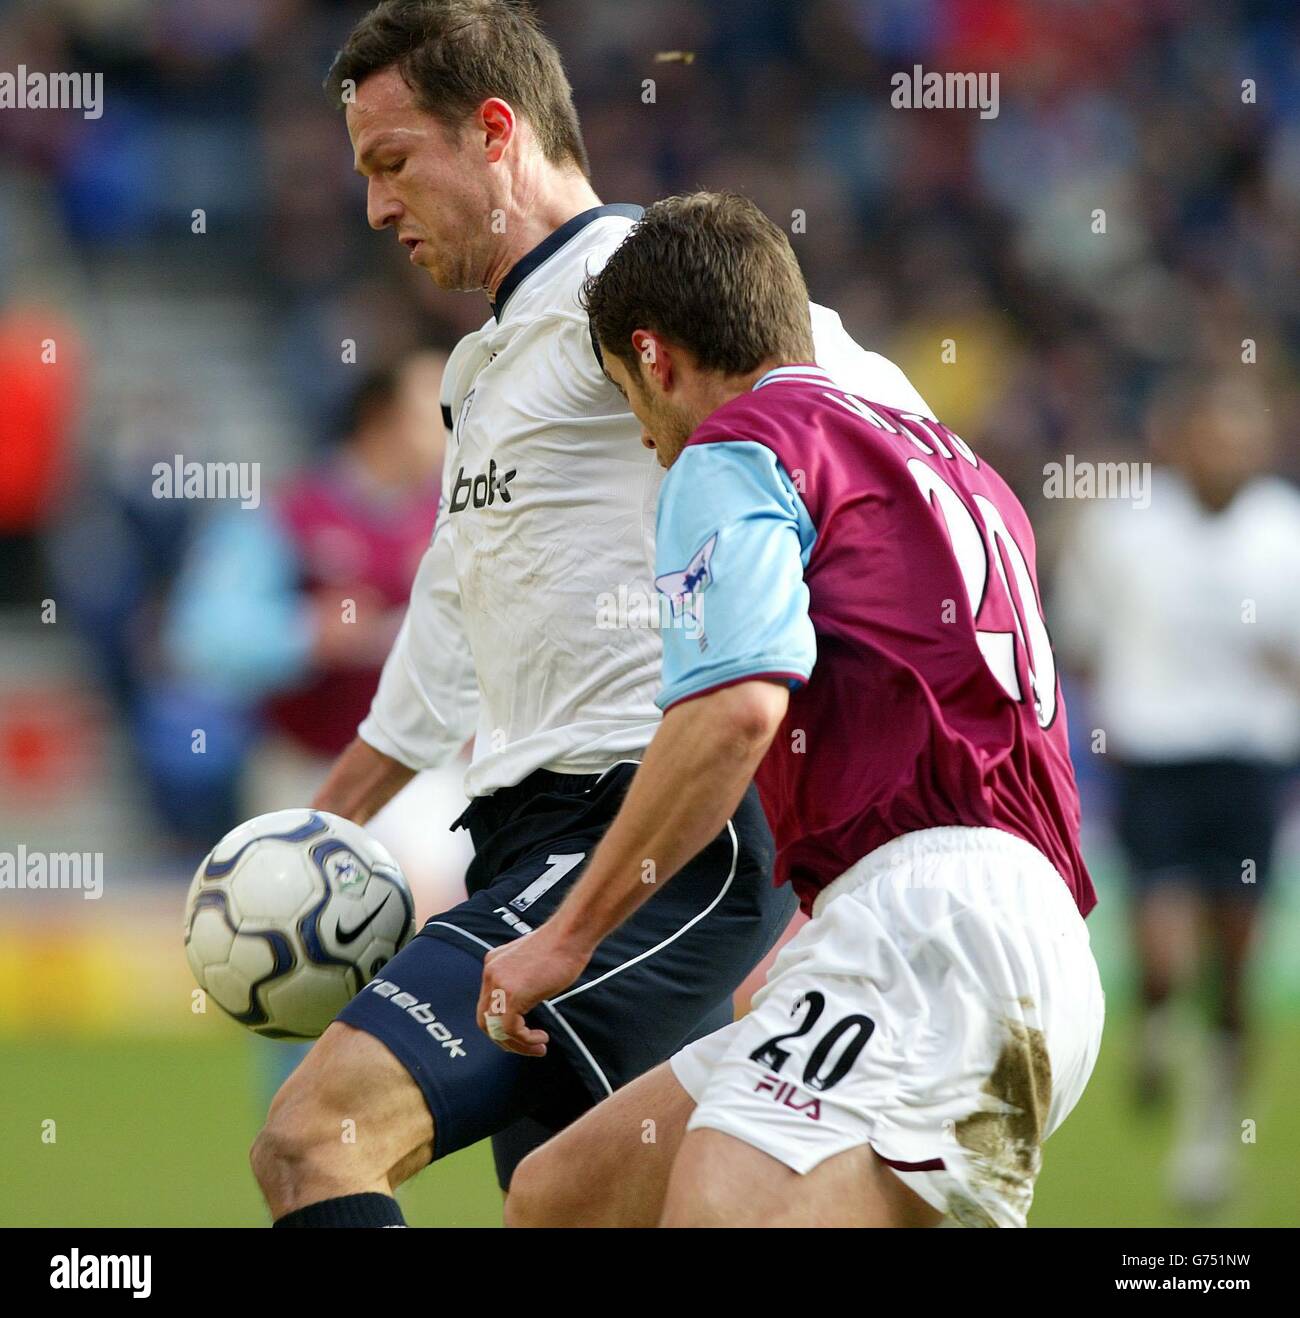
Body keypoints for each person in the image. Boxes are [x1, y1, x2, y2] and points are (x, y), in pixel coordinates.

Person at [248, 1, 931, 1228]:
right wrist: (319, 831)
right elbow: (451, 632)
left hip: (658, 831)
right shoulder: (480, 367)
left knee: (314, 1143)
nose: (373, 208)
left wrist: (851, 835)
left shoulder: (635, 280)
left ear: (495, 132)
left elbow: (888, 438)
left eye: (393, 163)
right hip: (528, 839)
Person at [486, 192, 1104, 1229]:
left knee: (719, 1215)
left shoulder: (736, 448)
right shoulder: (952, 461)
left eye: (624, 391)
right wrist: (823, 910)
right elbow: (925, 706)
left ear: (654, 354)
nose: (642, 435)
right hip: (993, 935)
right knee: (566, 1197)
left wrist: (568, 934)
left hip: (924, 942)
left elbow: (734, 709)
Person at [1055, 375, 1300, 1212]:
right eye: (1210, 435)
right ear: (1179, 438)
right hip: (1155, 758)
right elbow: (1080, 637)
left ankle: (1209, 1144)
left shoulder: (1285, 531)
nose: (1224, 452)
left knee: (1234, 967)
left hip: (1248, 761)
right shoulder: (1125, 528)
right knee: (1162, 950)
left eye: (1240, 437)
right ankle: (1156, 1029)